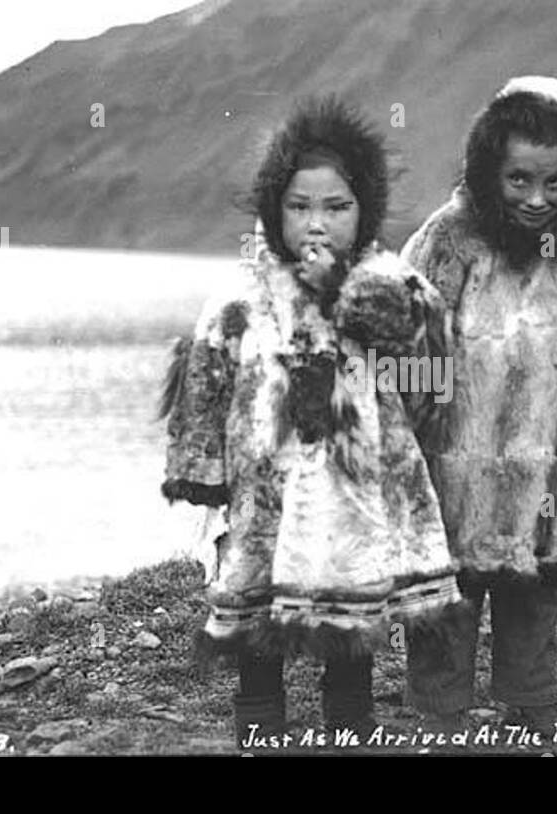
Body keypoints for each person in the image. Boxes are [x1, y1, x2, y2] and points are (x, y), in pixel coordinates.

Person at [159, 95, 462, 748]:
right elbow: (203, 388)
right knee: (258, 643)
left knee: (349, 641)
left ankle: (349, 735)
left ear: (366, 209)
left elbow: (430, 361)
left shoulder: (392, 282)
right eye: (299, 207)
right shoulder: (239, 299)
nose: (316, 225)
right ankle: (262, 736)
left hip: (356, 507)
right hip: (264, 508)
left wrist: (339, 289)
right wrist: (205, 486)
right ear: (273, 209)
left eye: (337, 207)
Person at [401, 76, 557, 735]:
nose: (537, 198)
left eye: (555, 184)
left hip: (549, 464)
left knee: (537, 592)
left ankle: (529, 694)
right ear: (487, 167)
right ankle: (441, 706)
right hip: (452, 466)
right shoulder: (445, 241)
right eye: (518, 180)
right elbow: (409, 341)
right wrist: (405, 442)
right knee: (448, 597)